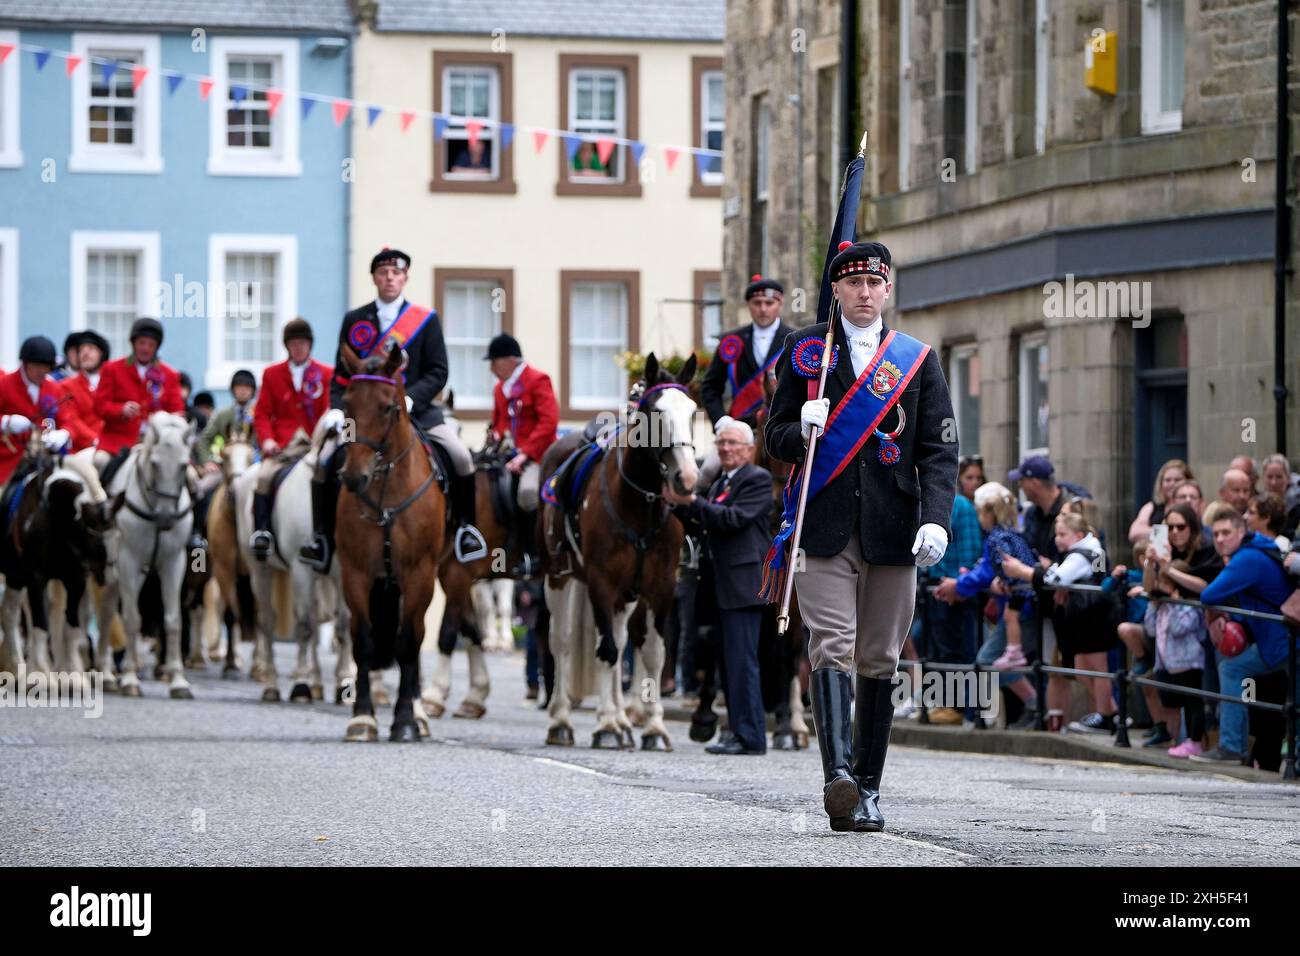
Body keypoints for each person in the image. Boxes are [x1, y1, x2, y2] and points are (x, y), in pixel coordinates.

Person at [764, 239, 958, 832]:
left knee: (879, 657)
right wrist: (800, 428)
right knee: (831, 645)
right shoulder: (805, 351)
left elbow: (939, 449)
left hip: (894, 528)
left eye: (875, 284)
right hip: (823, 526)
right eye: (853, 284)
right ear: (837, 290)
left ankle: (869, 788)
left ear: (888, 289)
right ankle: (838, 777)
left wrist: (936, 517)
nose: (865, 293)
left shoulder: (916, 360)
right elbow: (771, 438)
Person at [300, 247, 487, 571]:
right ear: (374, 278)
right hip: (363, 417)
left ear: (405, 278)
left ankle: (466, 531)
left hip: (418, 410)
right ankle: (322, 539)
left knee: (460, 457)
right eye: (383, 273)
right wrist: (334, 409)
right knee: (325, 460)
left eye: (396, 273)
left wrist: (411, 398)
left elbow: (438, 371)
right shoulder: (355, 319)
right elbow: (342, 374)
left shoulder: (425, 321)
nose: (389, 278)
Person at [667, 419, 774, 755]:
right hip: (719, 585)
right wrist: (677, 508)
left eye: (732, 443)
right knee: (728, 664)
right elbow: (706, 523)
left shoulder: (757, 479)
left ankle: (751, 736)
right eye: (721, 443)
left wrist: (689, 502)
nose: (726, 448)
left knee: (742, 663)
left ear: (748, 449)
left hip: (743, 585)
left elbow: (732, 519)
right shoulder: (720, 483)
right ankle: (737, 730)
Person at [1190, 511, 1296, 765]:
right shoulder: (1257, 549)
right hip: (1283, 638)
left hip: (1282, 641)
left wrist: (1215, 614)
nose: (1219, 539)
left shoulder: (1247, 558)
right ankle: (1238, 747)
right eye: (1215, 534)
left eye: (1226, 533)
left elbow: (1209, 595)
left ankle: (1232, 747)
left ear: (1241, 532)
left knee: (1232, 670)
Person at [935, 482, 1040, 727]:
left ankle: (1031, 707)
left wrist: (958, 585)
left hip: (1018, 609)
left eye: (980, 512)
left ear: (988, 512)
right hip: (1021, 607)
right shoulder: (1011, 534)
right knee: (999, 661)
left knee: (987, 660)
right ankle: (1034, 706)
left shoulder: (996, 538)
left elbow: (985, 572)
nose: (978, 517)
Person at [1002, 511, 1113, 734]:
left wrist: (1023, 571)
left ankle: (1108, 716)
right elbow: (1063, 574)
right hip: (1087, 615)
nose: (1057, 539)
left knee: (1097, 668)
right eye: (1056, 534)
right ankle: (1109, 712)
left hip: (1092, 616)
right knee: (1083, 669)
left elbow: (1055, 579)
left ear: (1079, 534)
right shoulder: (1089, 549)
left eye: (1063, 534)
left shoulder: (1082, 553)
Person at [698, 275, 796, 488]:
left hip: (780, 427)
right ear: (748, 305)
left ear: (780, 304)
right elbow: (710, 387)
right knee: (706, 472)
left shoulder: (795, 339)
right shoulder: (731, 341)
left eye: (769, 303)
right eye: (757, 303)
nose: (763, 309)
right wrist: (721, 421)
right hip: (738, 428)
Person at [248, 319, 332, 561]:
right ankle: (262, 531)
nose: (298, 348)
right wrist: (267, 441)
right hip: (282, 446)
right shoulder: (272, 374)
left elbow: (330, 409)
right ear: (287, 346)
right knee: (263, 477)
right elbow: (262, 412)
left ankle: (328, 532)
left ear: (310, 345)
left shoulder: (325, 374)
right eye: (294, 344)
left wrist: (325, 437)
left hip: (314, 443)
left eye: (302, 343)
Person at [486, 333, 558, 577]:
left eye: (494, 362)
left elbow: (549, 422)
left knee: (527, 493)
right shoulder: (500, 389)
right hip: (507, 454)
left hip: (536, 455)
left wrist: (525, 454)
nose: (492, 369)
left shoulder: (538, 380)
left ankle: (533, 553)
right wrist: (496, 435)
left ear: (508, 361)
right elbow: (499, 422)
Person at [921, 469, 984, 726]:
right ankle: (948, 706)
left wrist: (961, 587)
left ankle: (965, 710)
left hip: (956, 588)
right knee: (940, 650)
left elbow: (970, 549)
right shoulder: (932, 502)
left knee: (961, 649)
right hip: (936, 586)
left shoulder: (961, 505)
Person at [0, 335, 92, 485]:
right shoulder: (4, 384)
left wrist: (64, 434)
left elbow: (68, 421)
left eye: (47, 366)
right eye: (37, 366)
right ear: (25, 363)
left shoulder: (54, 388)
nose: (43, 371)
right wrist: (6, 422)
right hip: (8, 460)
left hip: (45, 458)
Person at [93, 318, 185, 467]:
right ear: (133, 343)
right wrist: (120, 409)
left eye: (151, 344)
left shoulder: (170, 375)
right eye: (142, 343)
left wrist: (164, 418)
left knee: (190, 476)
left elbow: (177, 411)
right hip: (118, 440)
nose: (146, 348)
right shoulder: (112, 369)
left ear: (157, 347)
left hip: (157, 443)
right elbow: (99, 406)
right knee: (100, 461)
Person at [1008, 454, 1091, 564]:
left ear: (1035, 483)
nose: (1020, 486)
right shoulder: (1032, 514)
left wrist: (1052, 567)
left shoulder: (1075, 510)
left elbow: (1095, 557)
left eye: (1022, 480)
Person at [1128, 458, 1192, 542]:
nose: (1172, 484)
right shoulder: (1151, 507)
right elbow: (1134, 533)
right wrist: (1168, 533)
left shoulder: (1191, 504)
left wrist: (1153, 533)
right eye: (1168, 480)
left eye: (1177, 480)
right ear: (1161, 483)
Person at [60, 331, 109, 441]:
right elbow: (73, 420)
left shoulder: (113, 383)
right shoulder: (67, 386)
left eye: (91, 348)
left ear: (101, 353)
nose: (85, 353)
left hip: (113, 444)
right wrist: (95, 440)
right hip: (83, 449)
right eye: (81, 350)